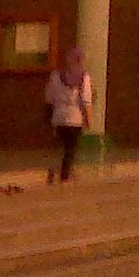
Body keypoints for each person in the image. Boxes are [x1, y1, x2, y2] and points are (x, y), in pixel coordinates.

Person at [43, 46, 93, 183]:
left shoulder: (55, 76)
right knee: (70, 148)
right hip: (75, 118)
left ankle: (53, 171)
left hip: (58, 117)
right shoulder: (83, 77)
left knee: (58, 147)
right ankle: (65, 175)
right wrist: (89, 119)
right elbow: (86, 100)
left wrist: (49, 116)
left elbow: (49, 97)